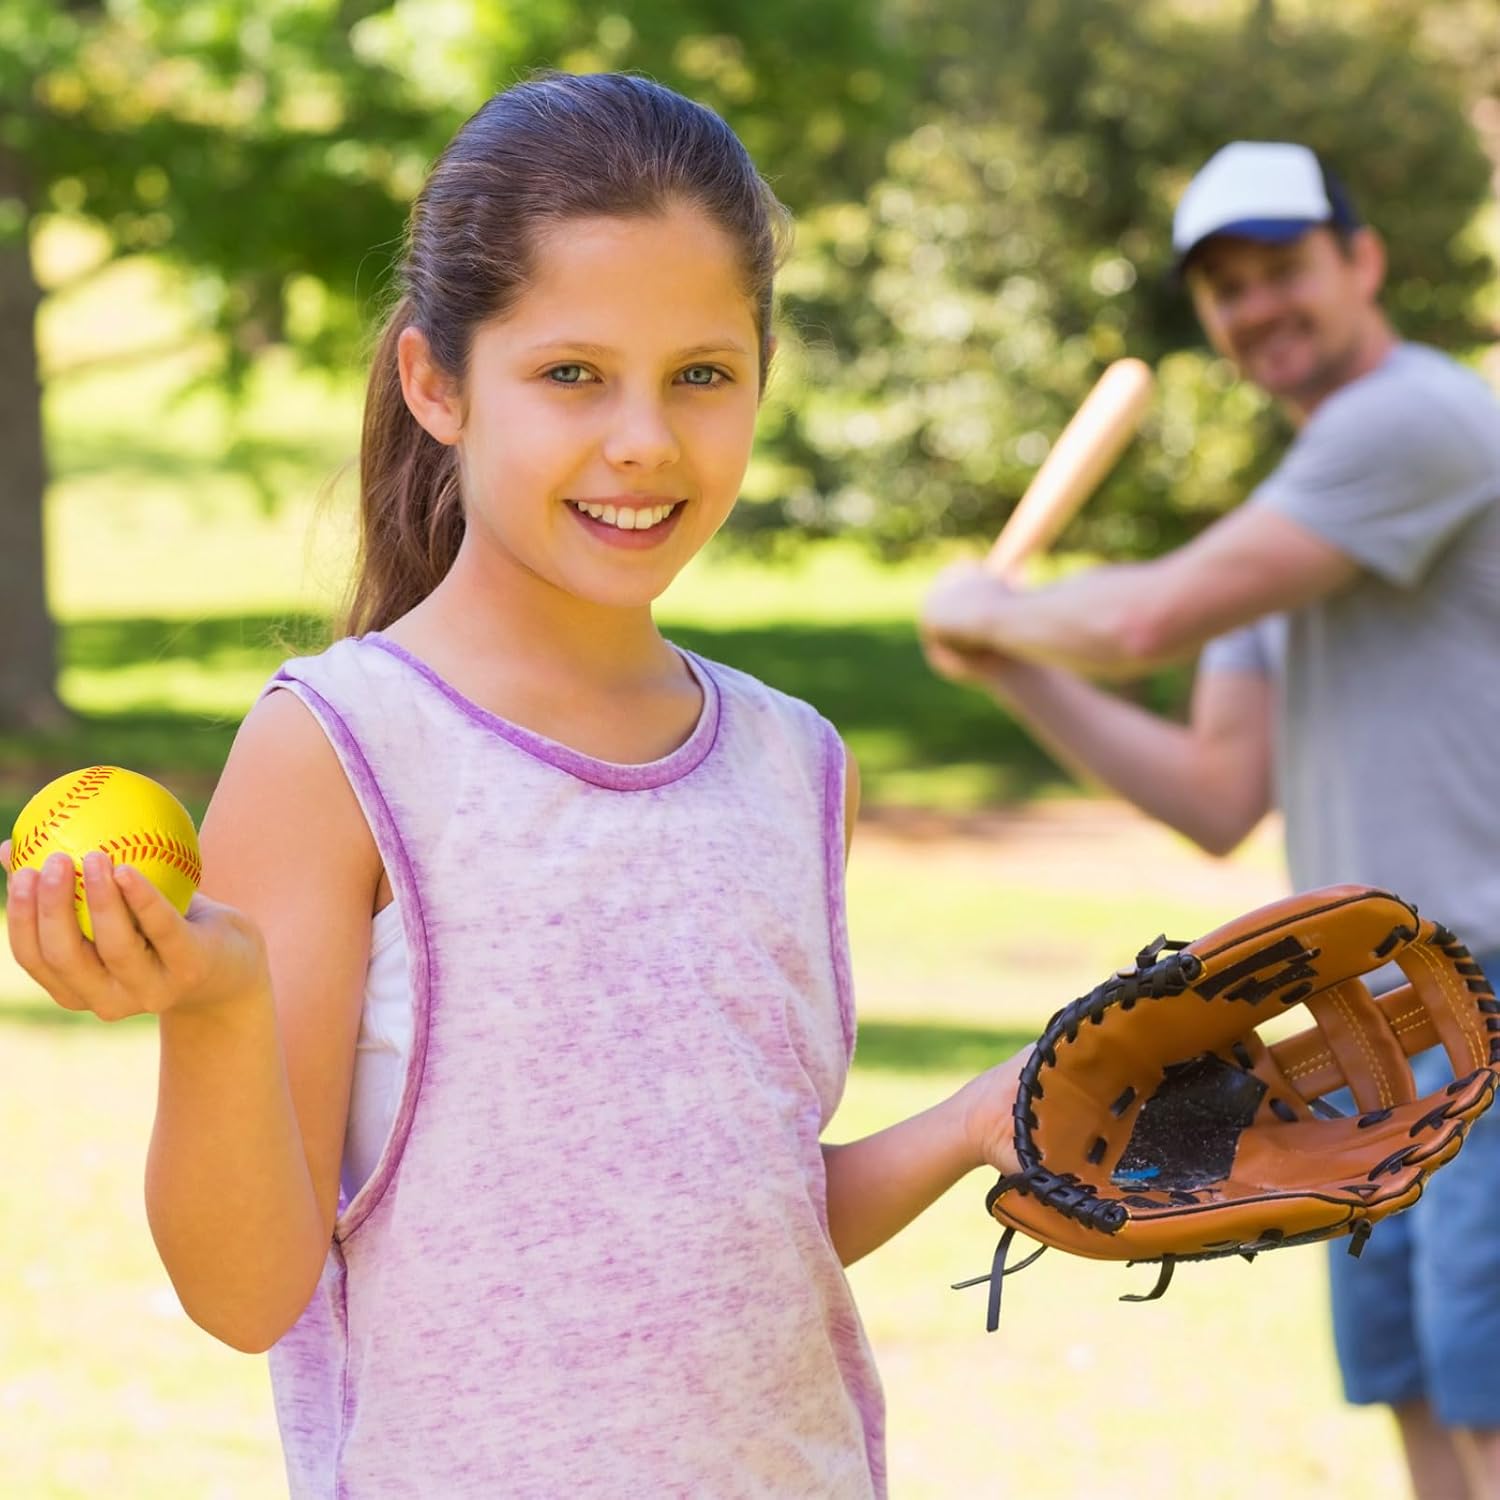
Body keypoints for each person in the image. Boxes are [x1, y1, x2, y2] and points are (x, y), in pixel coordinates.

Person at [2, 74, 1028, 1498]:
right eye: (570, 374)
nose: (644, 442)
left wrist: (981, 1117)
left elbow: (729, 1225)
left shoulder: (795, 764)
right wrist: (218, 1009)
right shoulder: (340, 749)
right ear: (438, 383)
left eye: (702, 375)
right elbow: (246, 1295)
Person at [921, 138, 1500, 1500]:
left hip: (1485, 987)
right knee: (1416, 1379)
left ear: (1362, 262)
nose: (1259, 305)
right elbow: (1211, 795)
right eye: (1226, 285)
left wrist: (993, 611)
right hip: (1370, 1010)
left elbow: (1137, 617)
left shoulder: (1413, 421)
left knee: (1489, 1380)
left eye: (1285, 265)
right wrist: (1008, 662)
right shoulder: (1297, 521)